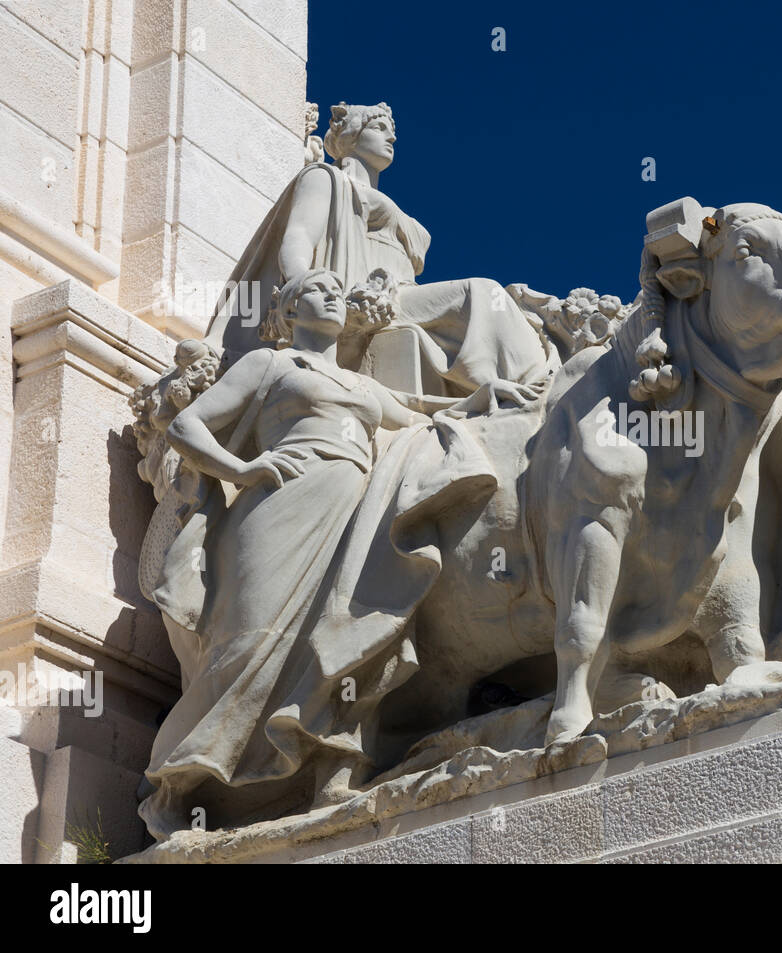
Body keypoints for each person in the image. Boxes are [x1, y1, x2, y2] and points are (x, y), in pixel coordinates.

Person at [140, 268, 521, 838]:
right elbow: (188, 428)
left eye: (339, 292)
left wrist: (487, 396)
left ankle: (326, 770)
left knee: (341, 638)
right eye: (319, 290)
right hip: (277, 509)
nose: (335, 299)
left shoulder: (362, 387)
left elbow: (425, 411)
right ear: (289, 310)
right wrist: (243, 468)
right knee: (247, 646)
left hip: (352, 515)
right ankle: (173, 786)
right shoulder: (270, 365)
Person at [206, 101, 554, 399]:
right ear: (352, 134)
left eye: (392, 131)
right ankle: (537, 387)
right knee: (480, 291)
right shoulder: (326, 177)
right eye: (381, 127)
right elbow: (298, 235)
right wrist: (302, 285)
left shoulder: (384, 201)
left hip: (398, 297)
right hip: (365, 297)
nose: (392, 137)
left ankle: (512, 384)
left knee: (508, 307)